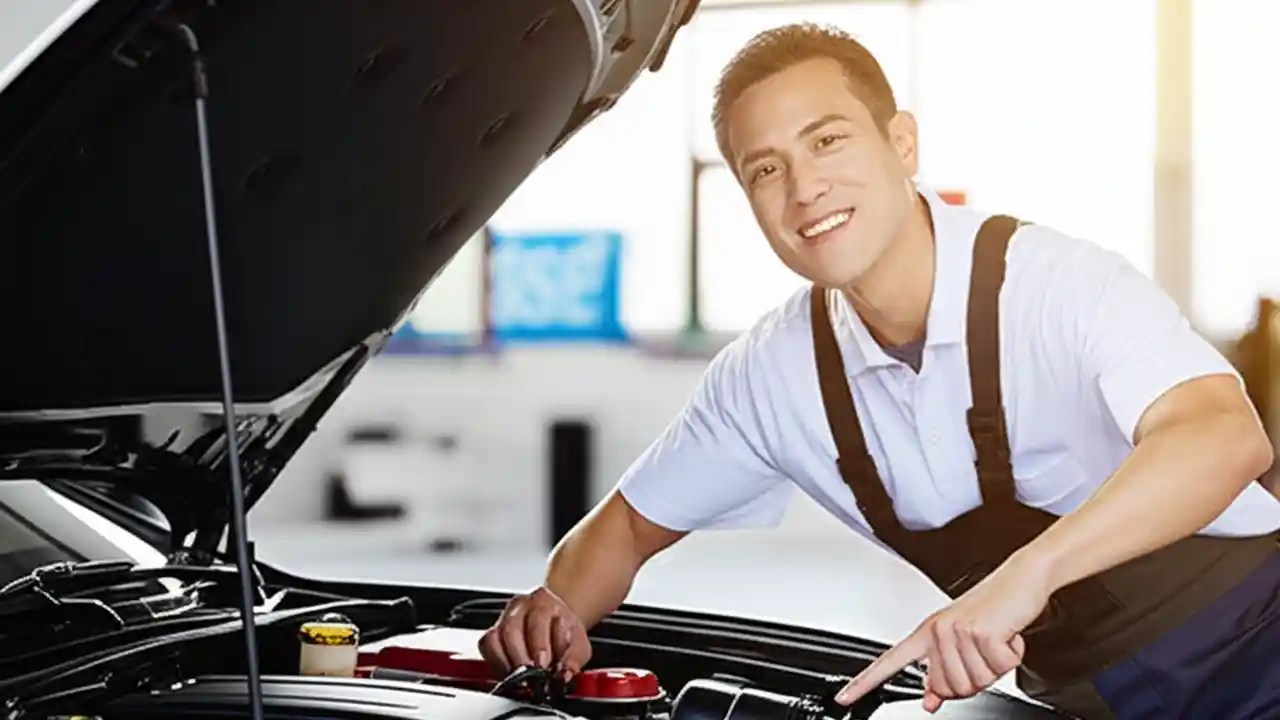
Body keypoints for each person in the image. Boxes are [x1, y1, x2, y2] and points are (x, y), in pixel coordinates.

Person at [478, 22, 1280, 719]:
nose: (804, 188)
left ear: (902, 143)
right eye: (765, 169)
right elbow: (623, 525)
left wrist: (1026, 576)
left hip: (1260, 647)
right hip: (1085, 703)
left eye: (827, 140)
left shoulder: (1053, 283)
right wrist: (553, 613)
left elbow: (1222, 436)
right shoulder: (770, 376)